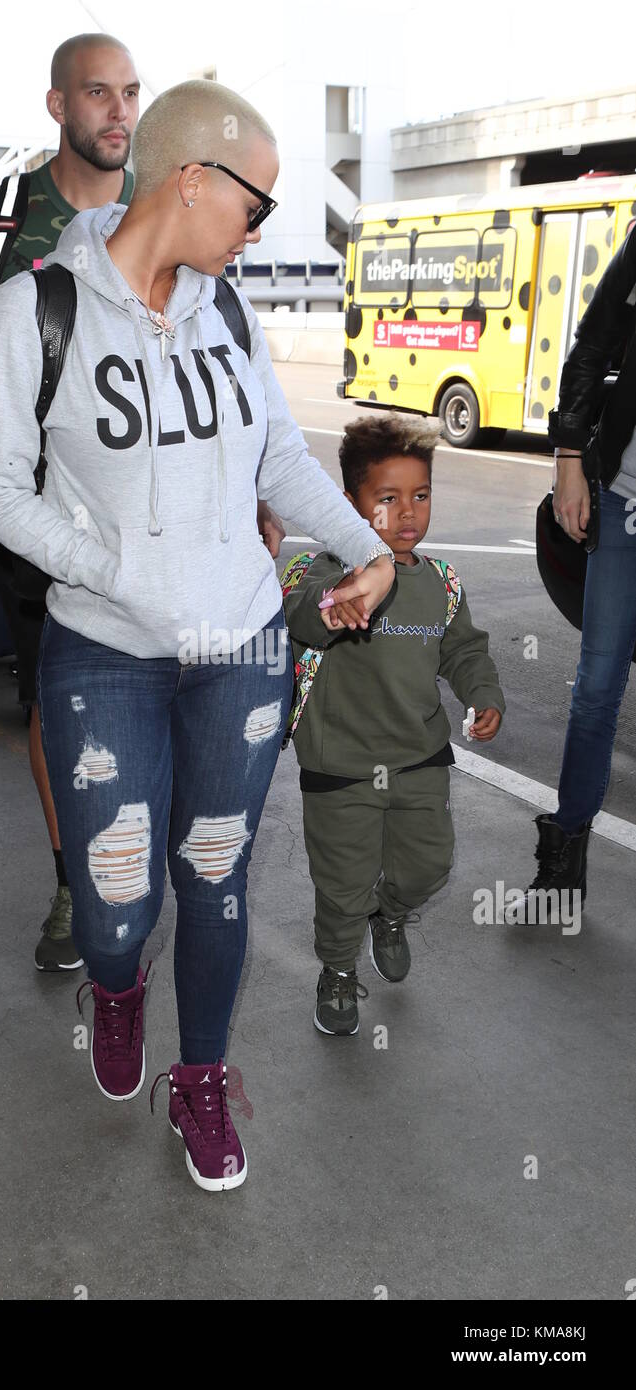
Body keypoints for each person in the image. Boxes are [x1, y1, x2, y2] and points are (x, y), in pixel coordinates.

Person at [0, 79, 396, 1191]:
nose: (256, 234)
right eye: (255, 209)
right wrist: (120, 571)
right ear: (194, 180)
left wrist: (362, 546)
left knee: (215, 877)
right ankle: (113, 986)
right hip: (102, 652)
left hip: (240, 652)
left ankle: (198, 1078)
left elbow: (279, 460)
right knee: (116, 906)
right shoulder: (35, 309)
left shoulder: (231, 313)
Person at [0, 33, 285, 972]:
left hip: (191, 574)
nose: (117, 111)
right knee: (63, 689)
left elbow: (231, 413)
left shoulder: (173, 216)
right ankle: (80, 874)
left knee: (195, 801)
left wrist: (247, 500)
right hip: (54, 530)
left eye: (130, 93)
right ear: (57, 107)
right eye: (96, 94)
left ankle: (133, 883)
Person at [282, 413, 505, 1035]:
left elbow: (464, 651)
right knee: (342, 883)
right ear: (349, 503)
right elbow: (301, 614)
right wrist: (339, 602)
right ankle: (338, 973)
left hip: (420, 758)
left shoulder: (440, 583)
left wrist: (481, 695)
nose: (407, 513)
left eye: (421, 496)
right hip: (338, 766)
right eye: (387, 499)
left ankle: (391, 912)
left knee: (430, 863)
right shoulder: (322, 574)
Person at [509, 223, 636, 921]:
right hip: (624, 499)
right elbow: (592, 345)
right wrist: (567, 459)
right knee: (594, 688)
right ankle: (560, 869)